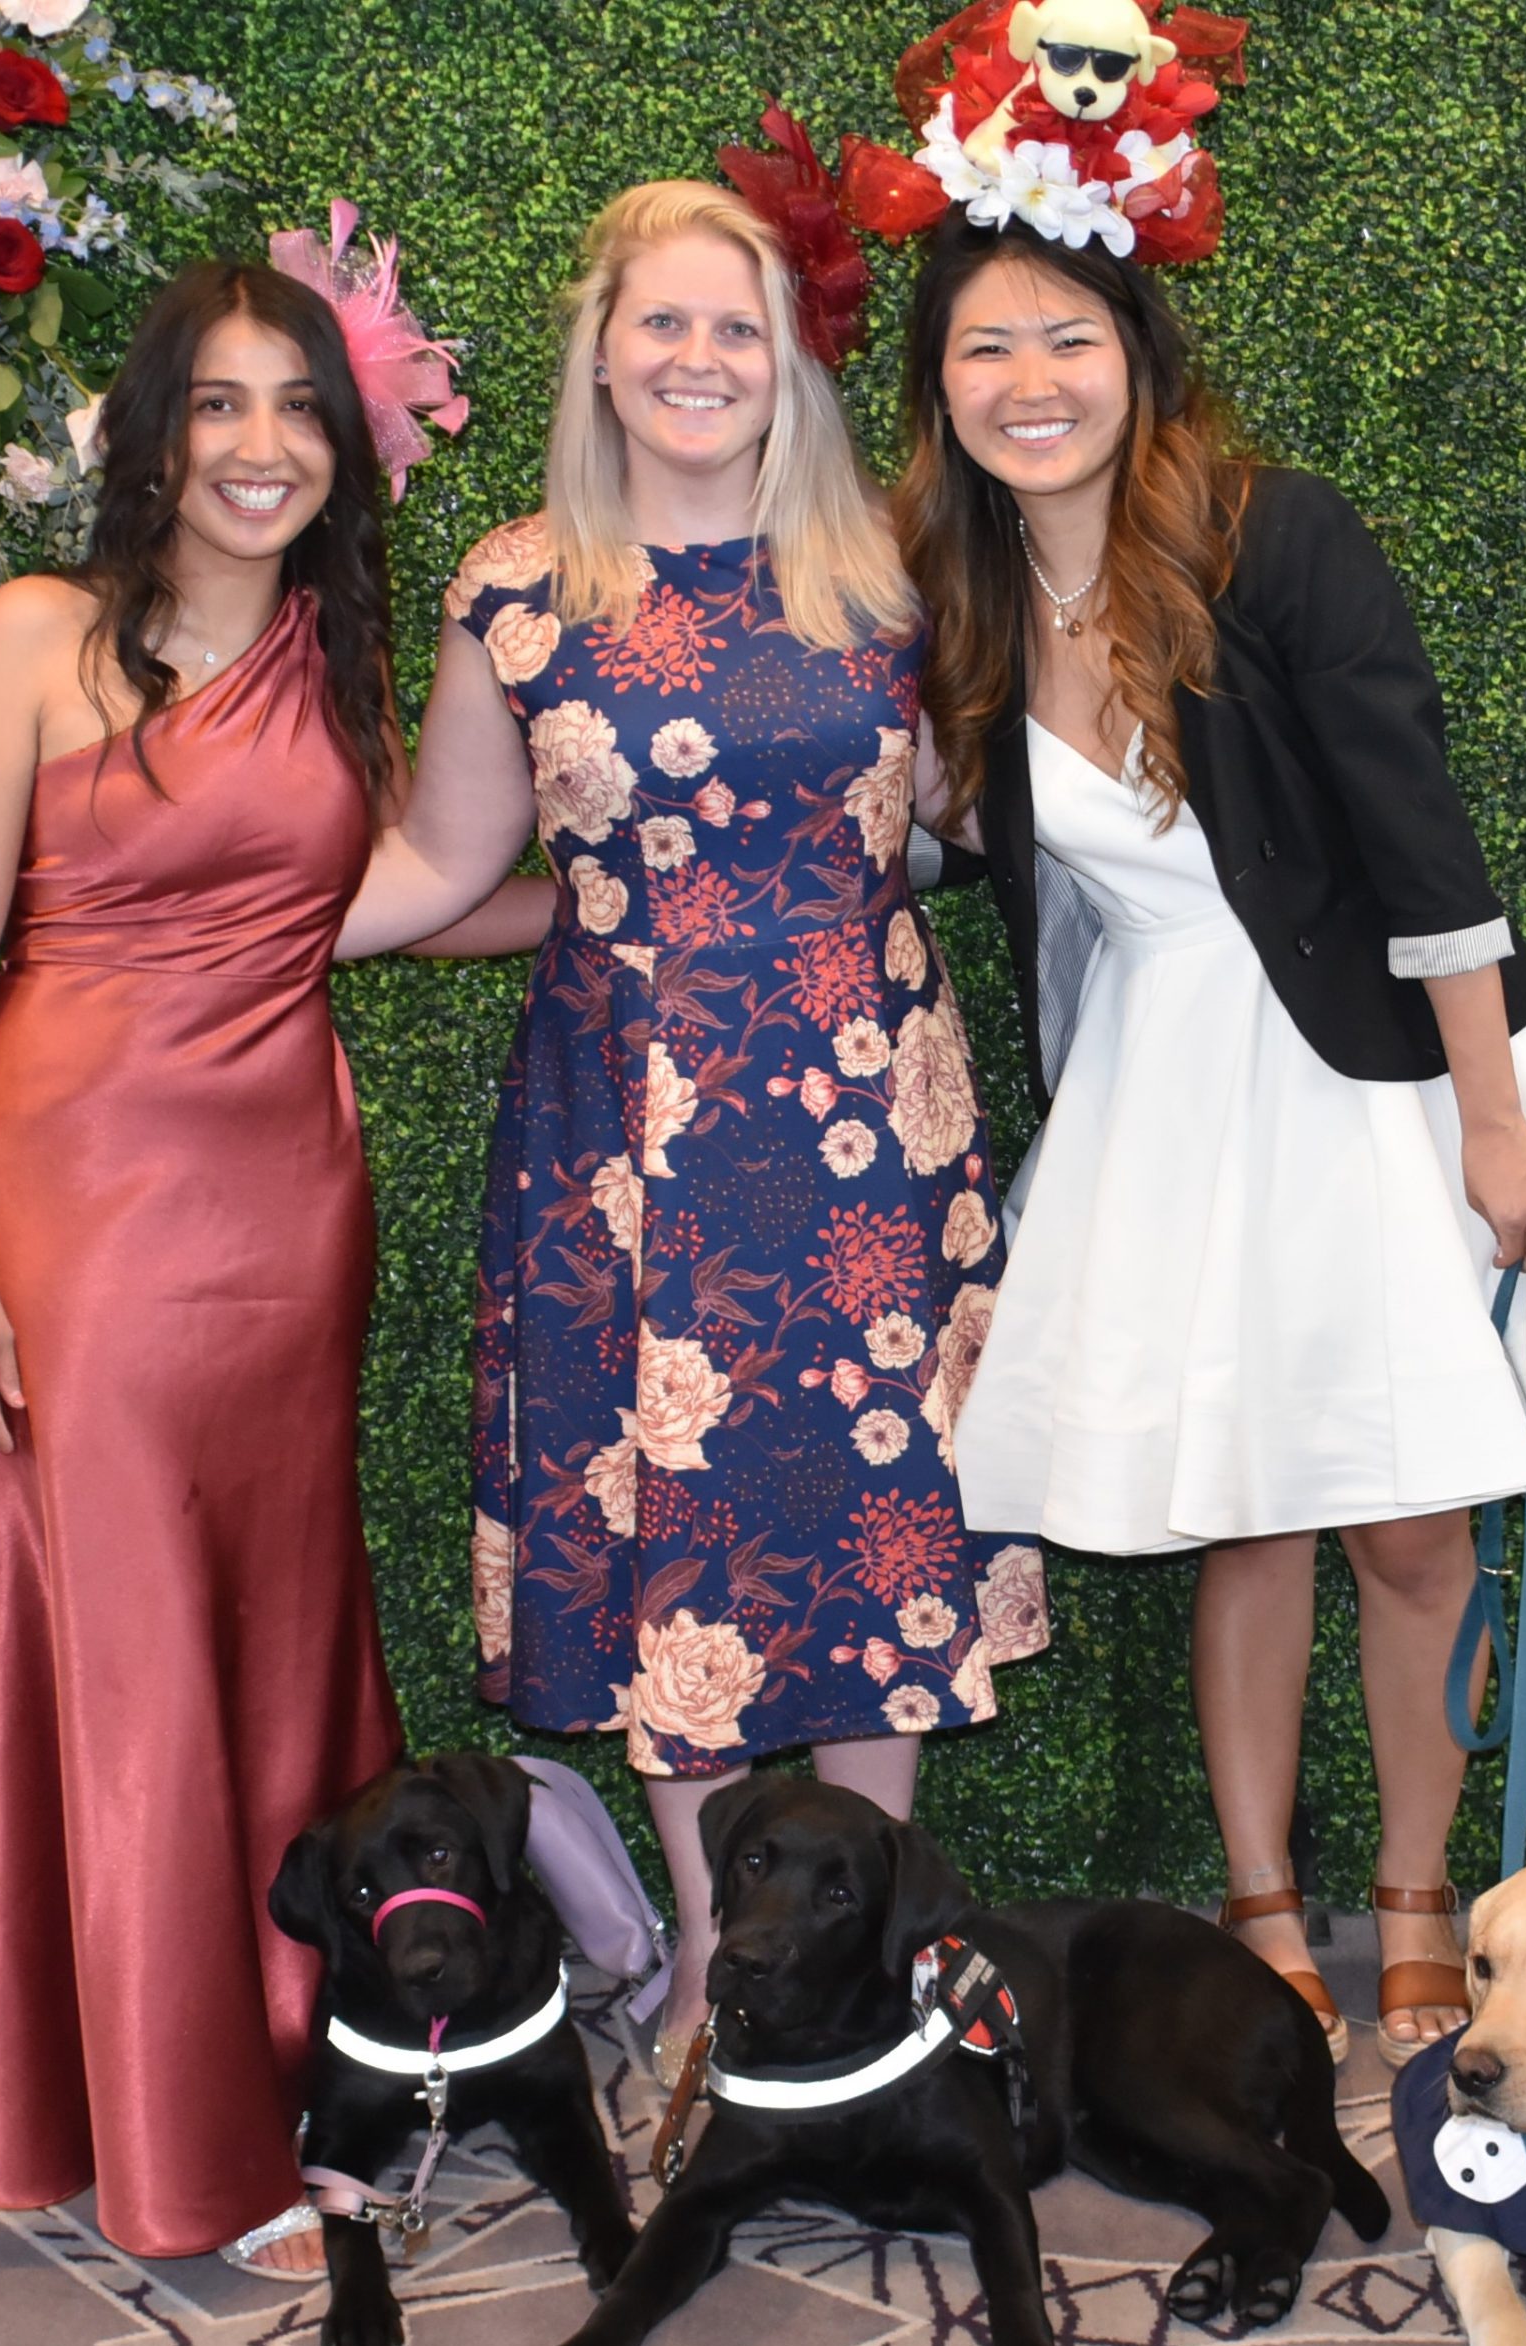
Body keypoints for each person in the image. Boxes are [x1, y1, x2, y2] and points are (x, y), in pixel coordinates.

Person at [892, 197, 1526, 2067]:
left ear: (1137, 352)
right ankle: (1260, 1898)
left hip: (1363, 1077)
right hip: (1159, 1095)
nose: (1032, 384)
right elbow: (956, 836)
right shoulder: (955, 592)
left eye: (1068, 340)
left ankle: (1420, 1894)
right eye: (987, 349)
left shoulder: (1267, 532)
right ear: (937, 388)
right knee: (1245, 1520)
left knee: (1414, 1529)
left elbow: (1411, 825)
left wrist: (1495, 1116)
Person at [340, 175, 1048, 2081]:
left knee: (870, 1529)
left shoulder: (895, 568)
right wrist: (198, 925)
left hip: (861, 1126)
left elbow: (997, 818)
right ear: (602, 349)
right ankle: (723, 2007)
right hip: (619, 1140)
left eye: (737, 328)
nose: (700, 359)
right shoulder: (516, 587)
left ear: (789, 361)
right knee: (681, 1557)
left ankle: (874, 1980)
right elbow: (438, 856)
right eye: (662, 323)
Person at [0, 261, 407, 2262]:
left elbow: (393, 902)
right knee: (124, 1679)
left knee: (279, 1652)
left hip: (286, 1228)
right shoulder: (35, 636)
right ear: (156, 434)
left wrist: (670, 899)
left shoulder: (343, 665)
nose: (261, 444)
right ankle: (176, 2142)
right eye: (219, 403)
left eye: (297, 406)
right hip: (78, 1221)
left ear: (339, 449)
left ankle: (297, 2066)